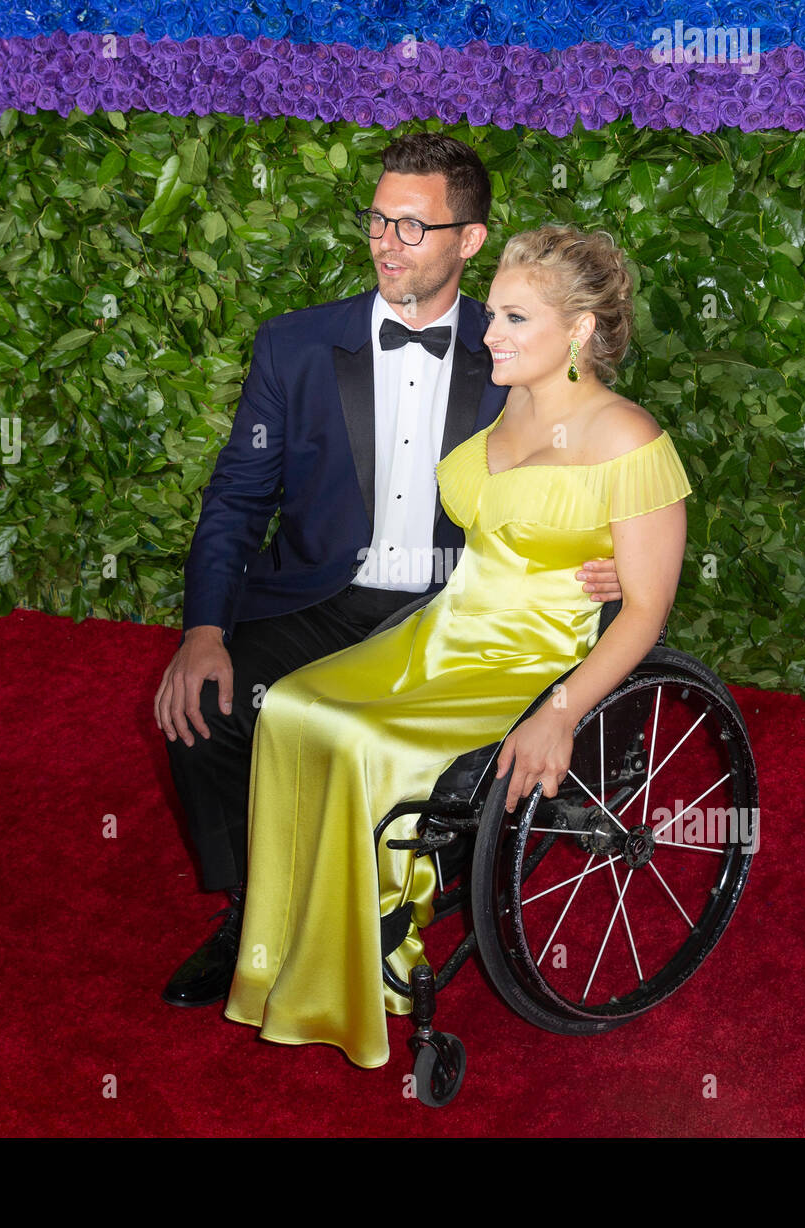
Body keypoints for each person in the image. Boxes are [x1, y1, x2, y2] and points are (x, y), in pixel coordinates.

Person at [153, 133, 623, 1008]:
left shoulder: (515, 345)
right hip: (324, 598)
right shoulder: (295, 346)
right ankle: (253, 913)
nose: (385, 242)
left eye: (412, 226)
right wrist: (204, 629)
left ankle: (390, 907)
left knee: (374, 742)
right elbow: (237, 499)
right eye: (377, 220)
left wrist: (611, 558)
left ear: (469, 240)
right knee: (205, 706)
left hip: (458, 610)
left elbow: (596, 457)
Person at [223, 224, 692, 1068]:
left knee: (365, 740)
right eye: (493, 315)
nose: (489, 334)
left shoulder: (628, 440)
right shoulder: (510, 400)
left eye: (514, 319)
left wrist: (561, 710)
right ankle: (286, 959)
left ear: (580, 330)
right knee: (290, 707)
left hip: (534, 660)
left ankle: (373, 958)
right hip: (443, 630)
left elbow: (646, 612)